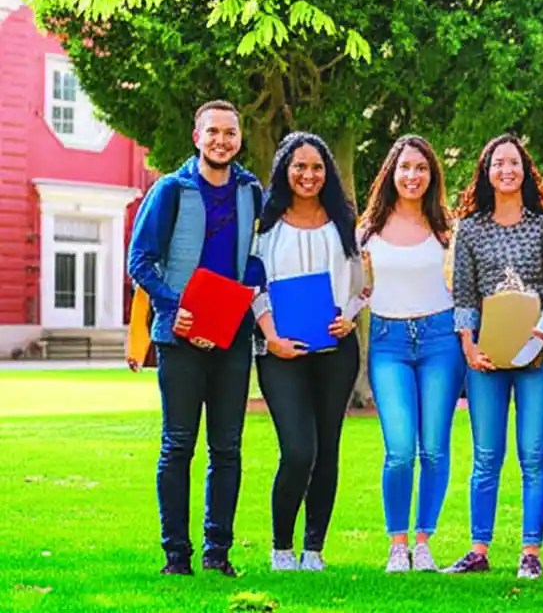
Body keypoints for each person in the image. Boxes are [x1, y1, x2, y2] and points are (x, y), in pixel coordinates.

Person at [126, 100, 263, 577]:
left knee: (227, 449)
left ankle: (217, 553)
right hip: (179, 337)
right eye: (213, 132)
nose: (221, 140)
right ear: (196, 136)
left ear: (239, 139)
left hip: (231, 337)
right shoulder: (170, 190)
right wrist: (172, 305)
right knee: (178, 445)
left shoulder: (252, 192)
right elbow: (139, 261)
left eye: (230, 133)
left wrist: (252, 288)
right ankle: (176, 556)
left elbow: (256, 258)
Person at [444, 134, 543, 579]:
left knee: (533, 453)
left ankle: (531, 554)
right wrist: (470, 346)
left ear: (525, 169)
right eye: (497, 163)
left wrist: (536, 339)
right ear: (486, 171)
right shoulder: (472, 228)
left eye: (513, 163)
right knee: (485, 455)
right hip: (485, 356)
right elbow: (462, 295)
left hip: (538, 353)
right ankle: (479, 550)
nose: (506, 170)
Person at [252, 132, 366, 572]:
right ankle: (282, 547)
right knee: (299, 450)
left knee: (328, 449)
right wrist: (271, 333)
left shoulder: (343, 222)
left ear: (327, 173)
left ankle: (313, 549)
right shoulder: (264, 224)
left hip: (335, 350)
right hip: (278, 350)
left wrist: (350, 315)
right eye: (299, 166)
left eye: (317, 167)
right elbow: (251, 284)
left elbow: (360, 284)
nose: (308, 175)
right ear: (285, 168)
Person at [359, 135, 465, 573]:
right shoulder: (366, 230)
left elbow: (463, 288)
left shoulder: (448, 229)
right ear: (391, 172)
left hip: (441, 340)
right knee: (400, 448)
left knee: (435, 450)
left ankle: (423, 542)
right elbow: (354, 289)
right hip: (389, 343)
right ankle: (396, 546)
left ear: (432, 176)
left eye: (421, 168)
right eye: (405, 167)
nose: (412, 176)